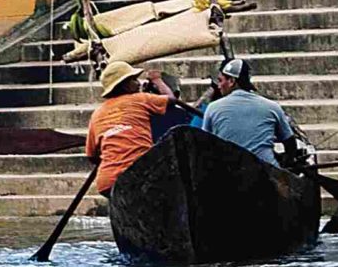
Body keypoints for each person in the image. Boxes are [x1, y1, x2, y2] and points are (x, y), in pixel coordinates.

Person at [86, 60, 185, 194]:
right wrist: (157, 80)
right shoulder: (140, 99)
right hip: (140, 175)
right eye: (134, 80)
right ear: (124, 86)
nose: (138, 83)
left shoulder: (97, 114)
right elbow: (171, 99)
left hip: (107, 181)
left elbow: (92, 155)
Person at [200, 57, 305, 169]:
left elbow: (203, 145)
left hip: (228, 173)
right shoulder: (272, 107)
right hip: (267, 172)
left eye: (221, 81)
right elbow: (290, 143)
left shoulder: (212, 108)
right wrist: (286, 165)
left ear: (231, 81)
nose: (219, 86)